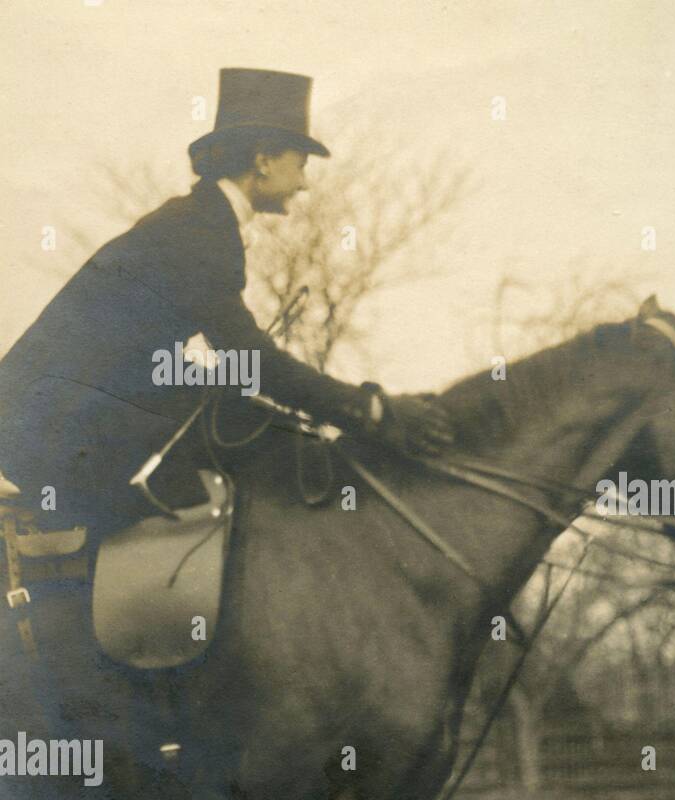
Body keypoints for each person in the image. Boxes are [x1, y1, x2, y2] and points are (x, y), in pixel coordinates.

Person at [0, 68, 451, 541]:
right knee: (262, 441)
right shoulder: (198, 232)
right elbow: (254, 359)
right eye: (301, 165)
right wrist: (368, 410)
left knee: (253, 420)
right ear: (263, 161)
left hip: (57, 416)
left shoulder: (196, 221)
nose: (304, 184)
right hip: (51, 433)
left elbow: (165, 359)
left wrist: (246, 389)